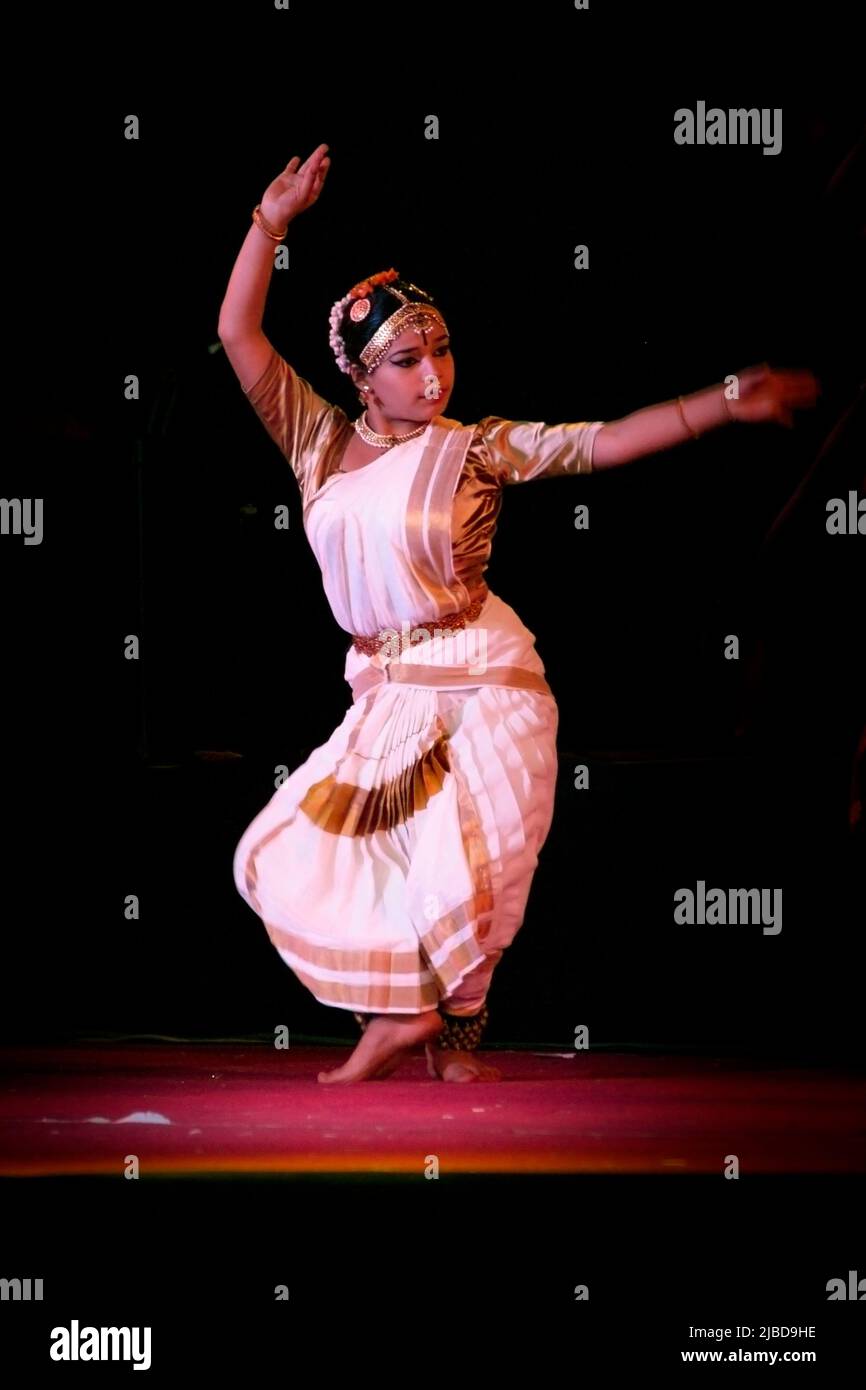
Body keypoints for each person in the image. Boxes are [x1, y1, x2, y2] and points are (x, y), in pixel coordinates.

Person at [219, 143, 819, 1085]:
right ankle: (406, 1018)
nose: (432, 377)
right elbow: (239, 333)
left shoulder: (479, 448)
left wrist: (727, 401)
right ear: (363, 378)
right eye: (407, 361)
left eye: (442, 352)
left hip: (481, 676)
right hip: (385, 690)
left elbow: (607, 441)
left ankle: (454, 1044)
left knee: (471, 856)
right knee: (295, 852)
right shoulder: (317, 442)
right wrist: (269, 223)